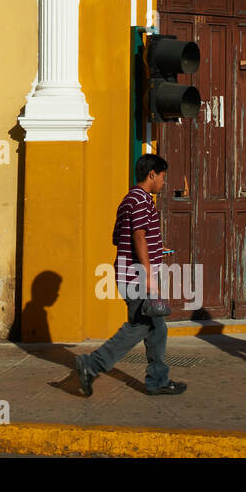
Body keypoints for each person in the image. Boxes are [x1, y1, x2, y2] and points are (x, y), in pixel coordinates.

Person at [74, 154, 187, 397]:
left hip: (132, 272)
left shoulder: (129, 200)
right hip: (137, 276)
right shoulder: (140, 201)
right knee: (139, 326)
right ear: (152, 174)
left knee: (157, 328)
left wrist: (157, 251)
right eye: (163, 177)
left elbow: (118, 237)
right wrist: (148, 273)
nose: (164, 183)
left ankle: (158, 380)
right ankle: (92, 364)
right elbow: (138, 236)